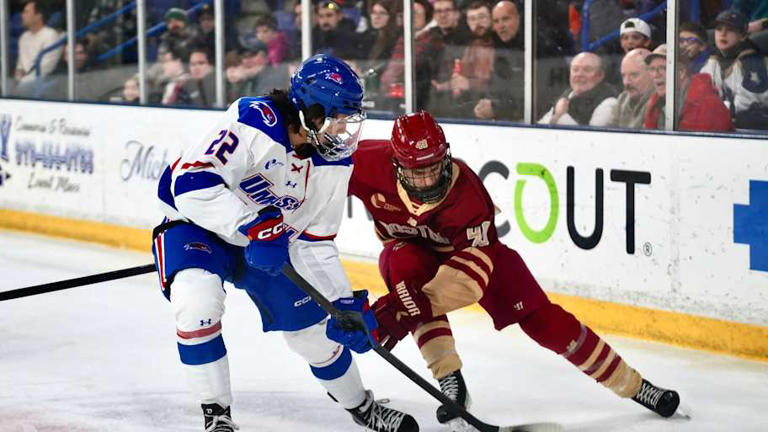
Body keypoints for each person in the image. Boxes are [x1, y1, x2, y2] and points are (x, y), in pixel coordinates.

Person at [347, 111, 682, 431]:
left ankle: (635, 386)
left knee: (545, 322)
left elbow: (469, 281)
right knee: (406, 275)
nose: (427, 179)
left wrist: (397, 312)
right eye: (416, 172)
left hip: (475, 258)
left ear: (445, 157)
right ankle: (451, 380)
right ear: (396, 164)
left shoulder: (468, 194)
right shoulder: (366, 161)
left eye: (434, 168)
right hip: (408, 252)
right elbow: (318, 174)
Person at [151, 54, 418, 432]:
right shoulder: (253, 121)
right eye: (337, 118)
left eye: (349, 120)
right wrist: (252, 225)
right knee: (197, 304)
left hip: (270, 242)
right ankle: (217, 416)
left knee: (314, 335)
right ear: (310, 112)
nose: (344, 131)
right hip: (199, 226)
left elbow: (316, 240)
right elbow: (190, 185)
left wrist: (342, 300)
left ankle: (362, 406)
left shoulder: (335, 162)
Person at [699, 9, 768, 130]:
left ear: (743, 36)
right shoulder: (712, 60)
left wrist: (713, 109)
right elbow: (700, 94)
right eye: (719, 29)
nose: (723, 34)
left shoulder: (753, 62)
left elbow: (748, 106)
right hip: (721, 125)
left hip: (753, 132)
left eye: (730, 30)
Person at [644, 44, 733, 131]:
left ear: (681, 72)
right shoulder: (655, 103)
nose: (656, 75)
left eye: (663, 68)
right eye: (652, 69)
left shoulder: (708, 105)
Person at [473, 0, 524, 121]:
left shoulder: (535, 46)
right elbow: (497, 89)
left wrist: (496, 108)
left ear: (518, 19)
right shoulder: (497, 47)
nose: (501, 26)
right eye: (496, 21)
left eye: (505, 19)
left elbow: (532, 100)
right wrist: (484, 106)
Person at [538, 52, 618, 126]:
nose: (579, 74)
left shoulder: (609, 102)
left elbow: (592, 139)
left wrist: (561, 115)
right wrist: (557, 116)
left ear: (600, 75)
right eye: (575, 69)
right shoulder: (567, 95)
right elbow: (539, 128)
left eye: (587, 70)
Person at [15, 0, 62, 93]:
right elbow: (20, 66)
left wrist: (22, 83)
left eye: (26, 12)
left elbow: (45, 68)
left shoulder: (51, 35)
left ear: (38, 15)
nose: (22, 15)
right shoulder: (23, 37)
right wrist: (18, 77)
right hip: (23, 84)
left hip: (44, 85)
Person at [608, 48, 653, 128]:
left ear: (651, 74)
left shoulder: (658, 103)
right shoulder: (623, 99)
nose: (626, 82)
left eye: (634, 75)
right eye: (623, 76)